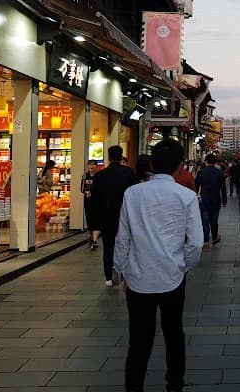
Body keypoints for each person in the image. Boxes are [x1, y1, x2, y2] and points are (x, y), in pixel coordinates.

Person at [114, 139, 203, 392]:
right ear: (181, 165)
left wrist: (121, 271)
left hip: (138, 277)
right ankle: (174, 384)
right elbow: (196, 243)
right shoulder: (186, 196)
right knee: (174, 334)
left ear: (152, 163)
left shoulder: (132, 194)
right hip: (172, 276)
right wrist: (183, 265)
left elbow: (123, 238)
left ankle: (134, 387)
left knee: (139, 340)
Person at [91, 145, 136, 286]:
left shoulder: (100, 175)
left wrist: (95, 221)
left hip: (106, 216)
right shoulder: (129, 173)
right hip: (125, 215)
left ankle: (109, 277)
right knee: (126, 244)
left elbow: (94, 198)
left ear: (109, 157)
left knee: (108, 246)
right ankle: (124, 273)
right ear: (121, 156)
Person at [195, 154, 225, 249]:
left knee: (205, 220)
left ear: (206, 161)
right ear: (215, 162)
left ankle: (206, 242)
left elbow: (196, 186)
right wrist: (224, 201)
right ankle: (215, 237)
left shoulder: (201, 172)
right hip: (216, 199)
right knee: (214, 220)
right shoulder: (219, 172)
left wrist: (195, 197)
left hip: (205, 200)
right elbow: (223, 188)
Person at [81, 160, 100, 250]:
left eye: (94, 165)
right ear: (88, 166)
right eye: (90, 164)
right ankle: (92, 238)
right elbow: (81, 188)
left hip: (97, 201)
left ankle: (95, 241)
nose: (92, 166)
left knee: (96, 220)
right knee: (89, 220)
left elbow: (101, 188)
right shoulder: (85, 176)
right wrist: (86, 192)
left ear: (96, 166)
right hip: (87, 201)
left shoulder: (99, 176)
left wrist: (94, 193)